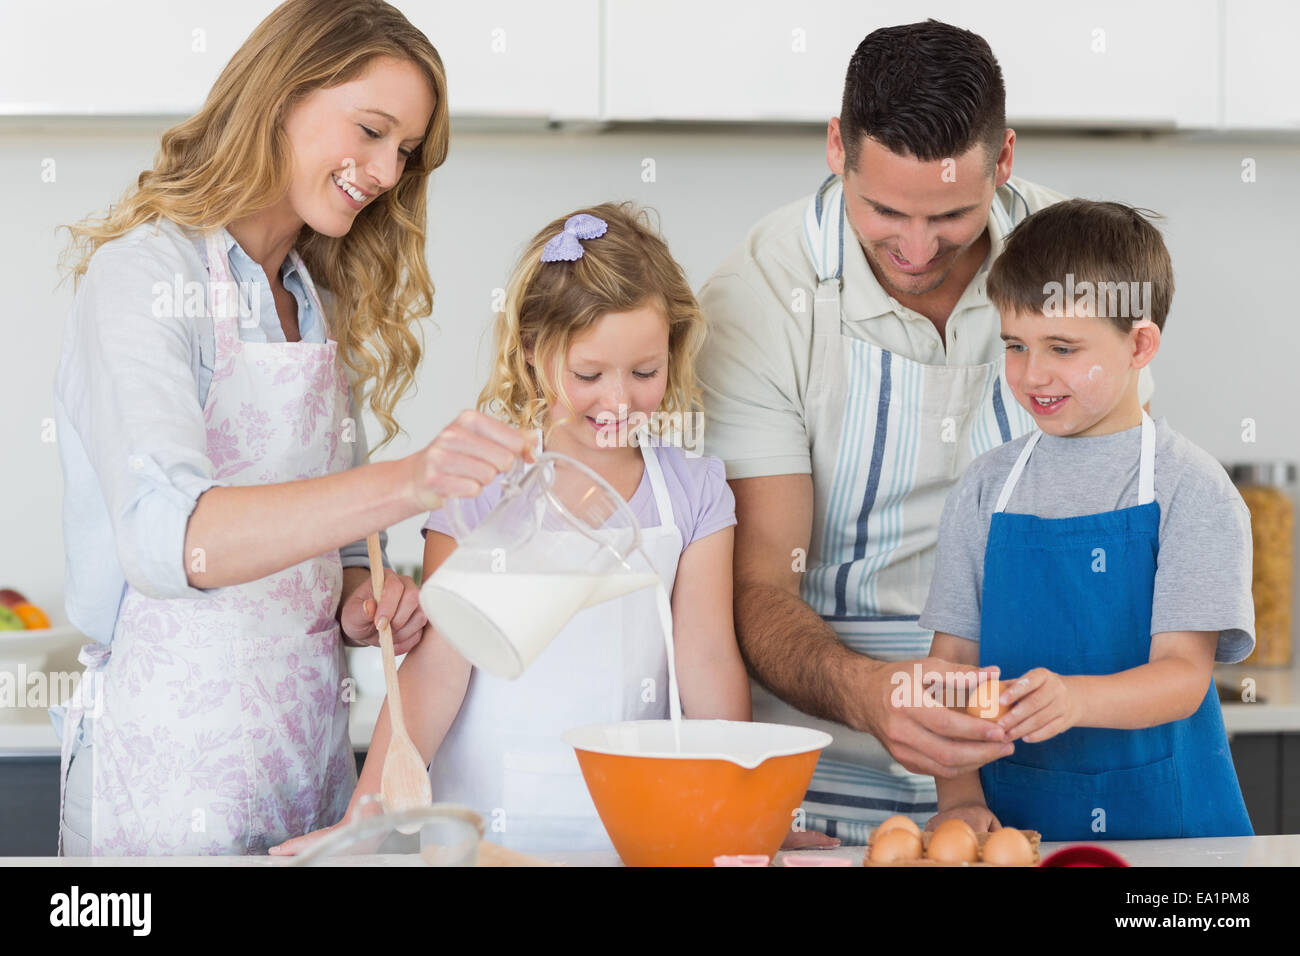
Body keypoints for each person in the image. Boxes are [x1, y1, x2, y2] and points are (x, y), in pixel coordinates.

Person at [51, 0, 532, 856]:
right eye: (373, 130)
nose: (387, 170)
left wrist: (358, 596)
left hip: (303, 766)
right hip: (169, 774)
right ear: (282, 93)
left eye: (406, 151)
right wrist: (414, 479)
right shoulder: (142, 279)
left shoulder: (314, 296)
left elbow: (332, 543)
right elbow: (172, 539)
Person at [696, 19, 1155, 842]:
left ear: (1004, 159)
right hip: (826, 763)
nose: (915, 249)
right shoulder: (757, 296)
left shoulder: (1080, 264)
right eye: (882, 211)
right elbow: (758, 583)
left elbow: (1118, 515)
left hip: (1039, 746)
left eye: (950, 215)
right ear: (837, 147)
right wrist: (874, 695)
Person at [273, 202, 751, 856]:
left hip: (635, 832)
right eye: (589, 375)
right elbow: (437, 667)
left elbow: (710, 664)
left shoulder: (693, 494)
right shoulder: (482, 488)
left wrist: (741, 811)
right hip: (487, 833)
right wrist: (370, 809)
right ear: (531, 355)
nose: (620, 401)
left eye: (645, 372)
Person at [921, 199, 1254, 841]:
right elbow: (951, 671)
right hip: (1014, 830)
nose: (1032, 374)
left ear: (1140, 344)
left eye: (1063, 347)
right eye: (1016, 344)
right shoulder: (986, 489)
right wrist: (960, 798)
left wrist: (1078, 701)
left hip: (1170, 835)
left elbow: (1183, 676)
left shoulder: (1193, 490)